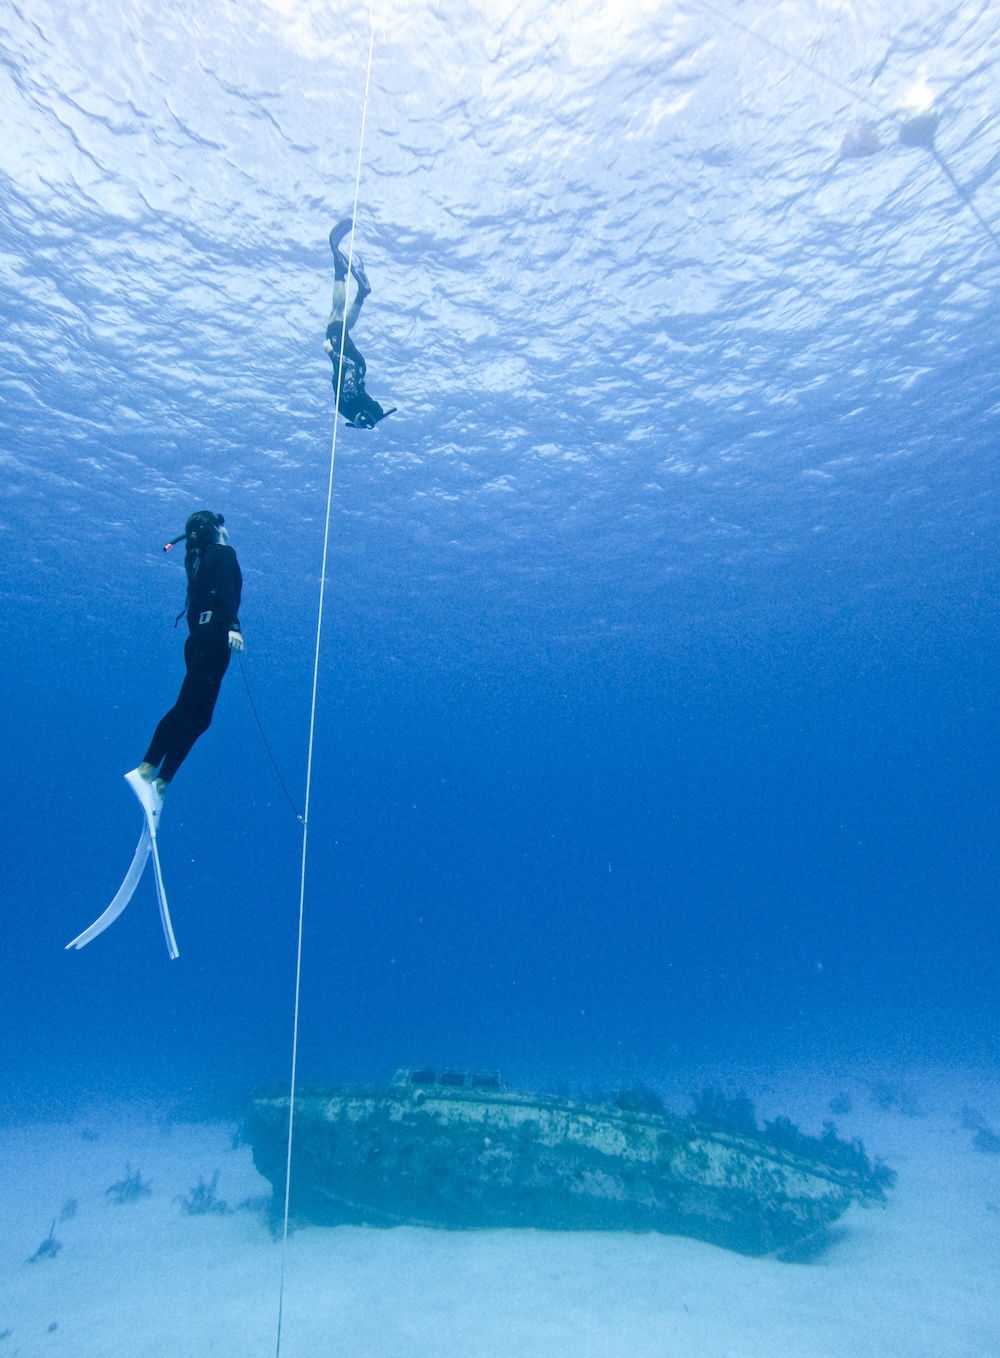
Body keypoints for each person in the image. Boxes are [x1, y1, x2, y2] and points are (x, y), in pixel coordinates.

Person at [134, 510, 243, 797]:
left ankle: (161, 782)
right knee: (189, 708)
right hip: (215, 638)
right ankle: (146, 769)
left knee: (199, 715)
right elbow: (227, 592)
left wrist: (201, 638)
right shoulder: (223, 552)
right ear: (217, 528)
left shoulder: (200, 561)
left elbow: (196, 609)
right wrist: (233, 626)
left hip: (201, 639)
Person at [324, 218, 396, 429]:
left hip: (357, 365)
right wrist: (331, 354)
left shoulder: (351, 406)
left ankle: (361, 293)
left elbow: (353, 372)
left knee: (341, 325)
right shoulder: (350, 397)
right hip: (349, 361)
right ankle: (339, 268)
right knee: (335, 321)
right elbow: (350, 366)